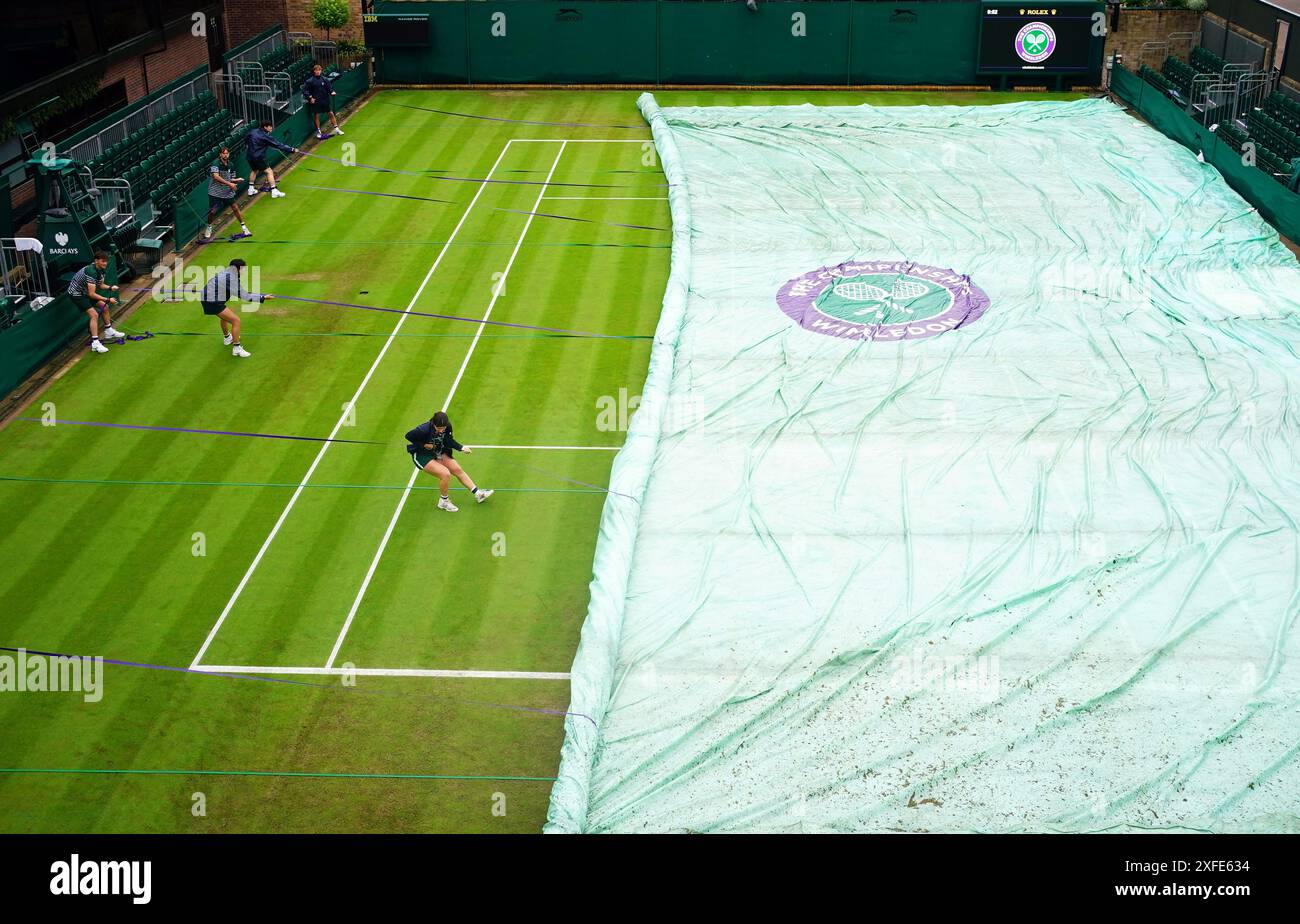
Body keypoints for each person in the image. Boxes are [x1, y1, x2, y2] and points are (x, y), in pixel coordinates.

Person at [404, 411, 493, 512]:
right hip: (422, 455)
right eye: (439, 428)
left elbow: (448, 440)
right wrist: (424, 445)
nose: (441, 431)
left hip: (437, 451)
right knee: (445, 474)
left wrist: (461, 448)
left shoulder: (448, 426)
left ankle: (478, 494)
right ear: (433, 424)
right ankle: (443, 502)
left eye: (443, 428)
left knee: (457, 469)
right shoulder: (423, 429)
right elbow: (408, 436)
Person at [197, 258, 273, 358]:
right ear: (237, 269)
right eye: (243, 268)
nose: (244, 270)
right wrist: (263, 297)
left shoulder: (228, 273)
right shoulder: (231, 278)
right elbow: (244, 296)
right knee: (236, 320)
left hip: (209, 298)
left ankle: (227, 338)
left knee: (225, 317)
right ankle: (236, 349)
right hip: (212, 301)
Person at [67, 250, 124, 354]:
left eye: (106, 261)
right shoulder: (91, 271)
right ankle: (95, 343)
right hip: (77, 294)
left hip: (85, 292)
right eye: (103, 261)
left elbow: (101, 285)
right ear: (96, 261)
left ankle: (108, 331)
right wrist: (108, 299)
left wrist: (111, 288)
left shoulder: (101, 270)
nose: (105, 263)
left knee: (105, 307)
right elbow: (91, 294)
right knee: (94, 315)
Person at [205, 147, 249, 241]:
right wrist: (230, 184)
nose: (225, 155)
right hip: (215, 192)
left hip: (227, 192)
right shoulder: (215, 164)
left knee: (235, 208)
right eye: (224, 153)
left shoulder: (231, 165)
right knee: (212, 211)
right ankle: (209, 227)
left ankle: (244, 227)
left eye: (227, 153)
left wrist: (236, 180)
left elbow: (230, 178)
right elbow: (216, 177)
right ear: (220, 154)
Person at [246, 120, 297, 199]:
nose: (271, 128)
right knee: (269, 172)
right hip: (258, 157)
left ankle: (251, 189)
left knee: (254, 170)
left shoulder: (253, 131)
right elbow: (278, 145)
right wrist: (291, 149)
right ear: (265, 127)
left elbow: (246, 139)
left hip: (249, 156)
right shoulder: (265, 136)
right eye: (269, 126)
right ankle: (274, 191)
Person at [302, 63, 343, 140]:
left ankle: (336, 129)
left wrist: (332, 92)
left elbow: (329, 88)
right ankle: (319, 132)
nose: (318, 71)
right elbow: (305, 90)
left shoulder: (325, 79)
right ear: (314, 71)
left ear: (321, 71)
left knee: (330, 113)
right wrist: (310, 97)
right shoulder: (310, 81)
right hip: (316, 102)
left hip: (325, 101)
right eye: (316, 70)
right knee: (316, 116)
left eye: (319, 70)